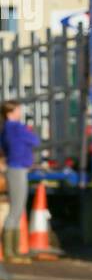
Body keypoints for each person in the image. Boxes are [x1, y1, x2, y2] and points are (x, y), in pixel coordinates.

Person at [0, 100, 40, 266]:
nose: (20, 112)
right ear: (10, 113)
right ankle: (11, 251)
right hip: (17, 169)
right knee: (16, 209)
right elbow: (34, 141)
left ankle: (13, 250)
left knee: (17, 209)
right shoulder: (16, 127)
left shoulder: (6, 129)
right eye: (18, 110)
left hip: (13, 168)